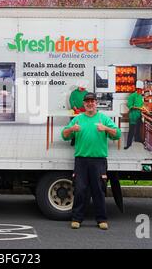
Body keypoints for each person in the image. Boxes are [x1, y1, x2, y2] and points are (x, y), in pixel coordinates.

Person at [61, 92, 121, 230]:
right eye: (87, 101)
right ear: (84, 104)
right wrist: (72, 128)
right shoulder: (78, 119)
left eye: (92, 101)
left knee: (98, 190)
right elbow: (64, 135)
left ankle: (101, 219)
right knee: (80, 189)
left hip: (99, 160)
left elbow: (117, 134)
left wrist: (105, 128)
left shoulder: (103, 118)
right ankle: (76, 219)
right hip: (81, 160)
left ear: (96, 103)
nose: (89, 103)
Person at [124, 80, 146, 150]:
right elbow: (129, 105)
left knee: (138, 129)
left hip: (139, 115)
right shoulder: (132, 96)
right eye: (141, 90)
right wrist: (139, 108)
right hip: (133, 115)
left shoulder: (140, 96)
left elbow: (142, 104)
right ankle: (128, 144)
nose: (141, 91)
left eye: (142, 90)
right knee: (131, 130)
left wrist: (143, 108)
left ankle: (137, 139)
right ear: (138, 89)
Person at [68, 80, 88, 146]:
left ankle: (82, 140)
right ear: (79, 86)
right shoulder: (74, 93)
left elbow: (87, 101)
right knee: (74, 125)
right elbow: (71, 100)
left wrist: (84, 107)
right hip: (74, 111)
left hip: (84, 111)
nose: (83, 89)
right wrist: (74, 107)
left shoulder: (86, 93)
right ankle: (73, 139)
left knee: (83, 126)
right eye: (82, 88)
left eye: (84, 88)